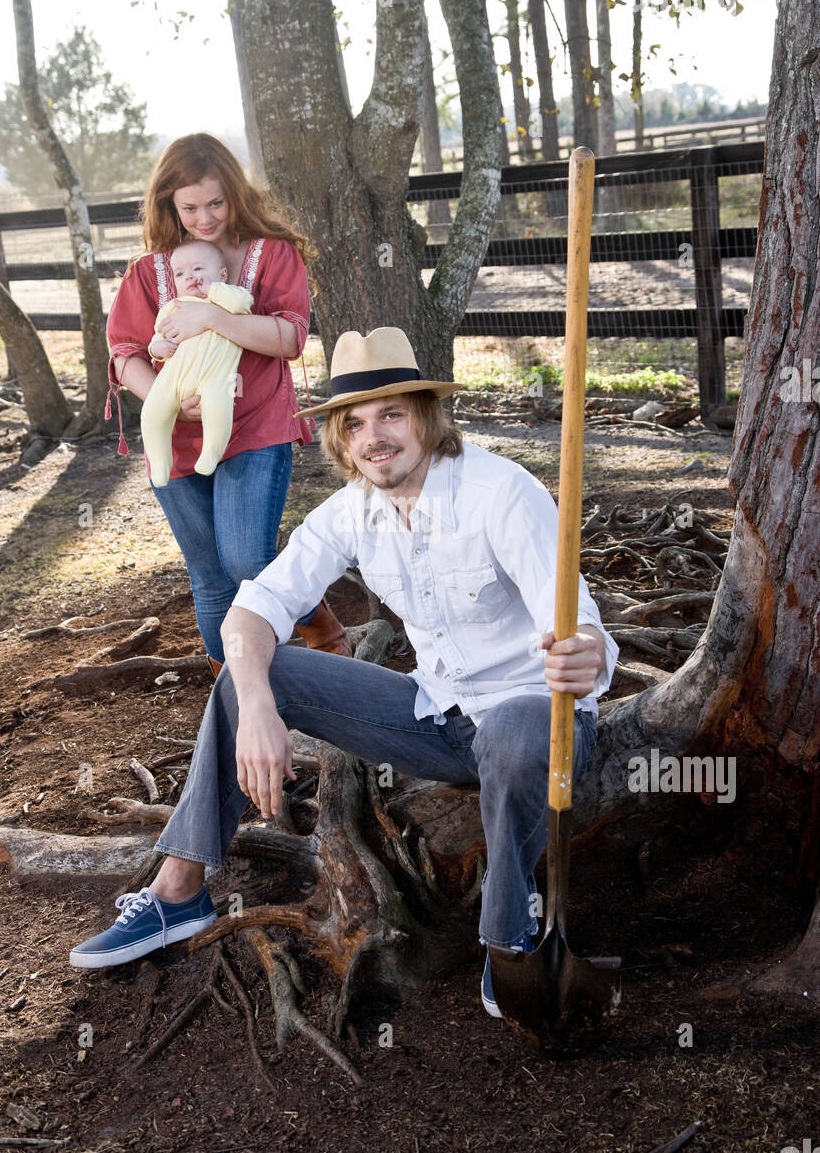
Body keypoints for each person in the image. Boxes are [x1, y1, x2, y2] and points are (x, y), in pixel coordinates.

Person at [75, 327, 619, 1019]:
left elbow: (578, 623)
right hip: (439, 716)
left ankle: (510, 939)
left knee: (513, 734)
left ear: (425, 417)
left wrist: (586, 652)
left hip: (537, 714)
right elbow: (251, 613)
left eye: (391, 414)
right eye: (354, 423)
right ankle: (177, 895)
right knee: (255, 674)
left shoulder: (502, 495)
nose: (374, 437)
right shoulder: (353, 510)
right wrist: (258, 704)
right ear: (339, 437)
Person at [105, 132, 350, 674]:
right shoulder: (150, 271)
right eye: (189, 207)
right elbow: (123, 351)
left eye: (215, 202)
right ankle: (236, 686)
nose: (204, 217)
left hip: (256, 424)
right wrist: (165, 402)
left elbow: (290, 338)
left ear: (234, 193)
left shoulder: (274, 254)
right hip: (174, 437)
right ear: (168, 204)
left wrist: (214, 317)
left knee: (247, 559)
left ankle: (320, 626)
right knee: (209, 573)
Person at [143, 240, 253, 488]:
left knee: (218, 408)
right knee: (152, 413)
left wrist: (213, 290)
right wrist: (156, 348)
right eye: (180, 274)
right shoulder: (174, 306)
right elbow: (158, 336)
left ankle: (211, 452)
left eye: (199, 269)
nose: (190, 277)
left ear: (222, 274)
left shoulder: (227, 300)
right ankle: (160, 461)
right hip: (174, 377)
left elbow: (242, 304)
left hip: (215, 376)